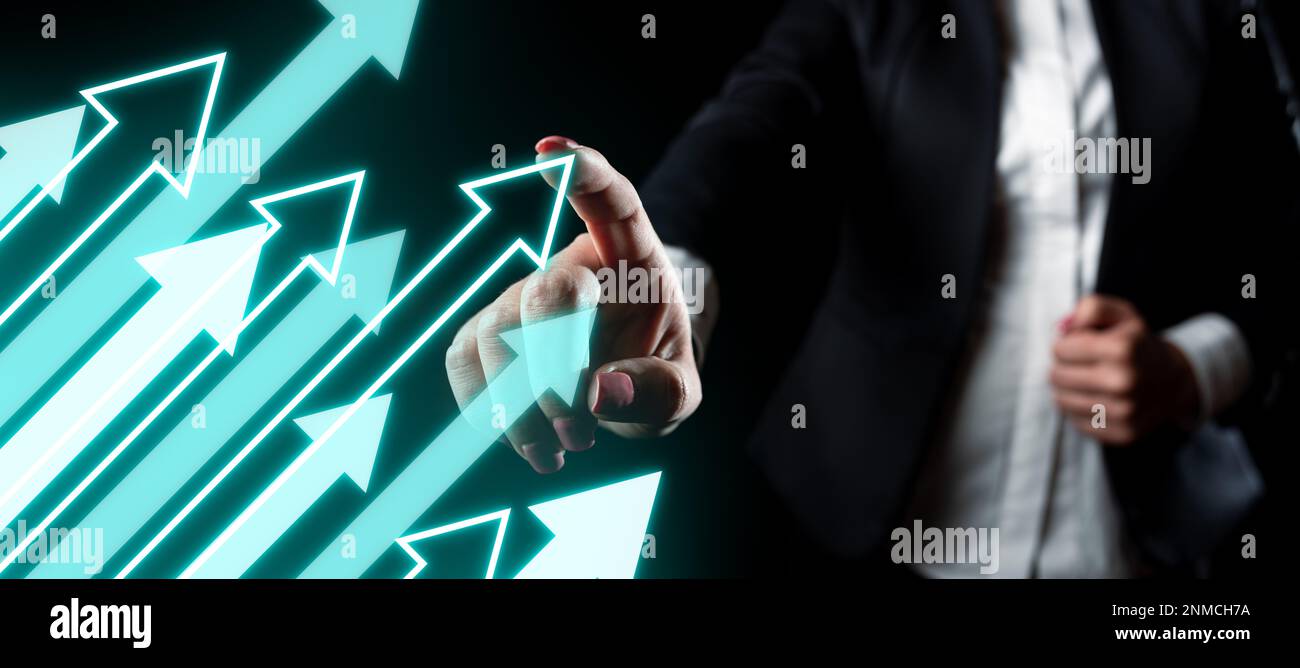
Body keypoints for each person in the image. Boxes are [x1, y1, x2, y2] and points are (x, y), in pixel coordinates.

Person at [443, 0, 1298, 577]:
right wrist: (657, 274)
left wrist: (1195, 365)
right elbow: (751, 128)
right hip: (867, 532)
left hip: (1155, 552)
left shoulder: (1216, 14)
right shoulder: (869, 9)